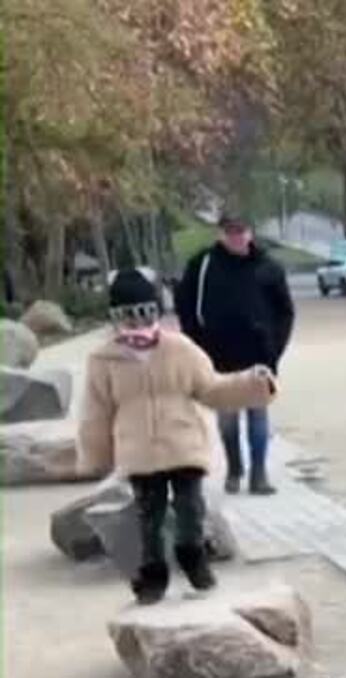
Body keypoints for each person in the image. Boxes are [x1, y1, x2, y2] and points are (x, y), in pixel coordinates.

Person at [79, 270, 278, 604]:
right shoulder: (103, 360)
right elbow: (96, 413)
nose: (137, 324)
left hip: (183, 443)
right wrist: (96, 457)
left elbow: (212, 388)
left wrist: (252, 383)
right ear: (116, 318)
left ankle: (193, 557)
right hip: (139, 450)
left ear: (156, 312)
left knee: (190, 508)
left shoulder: (180, 349)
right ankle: (153, 573)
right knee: (149, 515)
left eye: (144, 314)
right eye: (127, 316)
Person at [175, 213, 295, 496]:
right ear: (221, 234)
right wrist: (197, 343)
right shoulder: (203, 265)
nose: (236, 237)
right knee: (227, 418)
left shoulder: (268, 267)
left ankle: (259, 472)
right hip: (218, 355)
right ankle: (234, 467)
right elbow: (185, 304)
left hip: (258, 355)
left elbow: (285, 311)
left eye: (241, 231)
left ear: (250, 233)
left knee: (258, 414)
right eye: (230, 232)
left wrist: (274, 347)